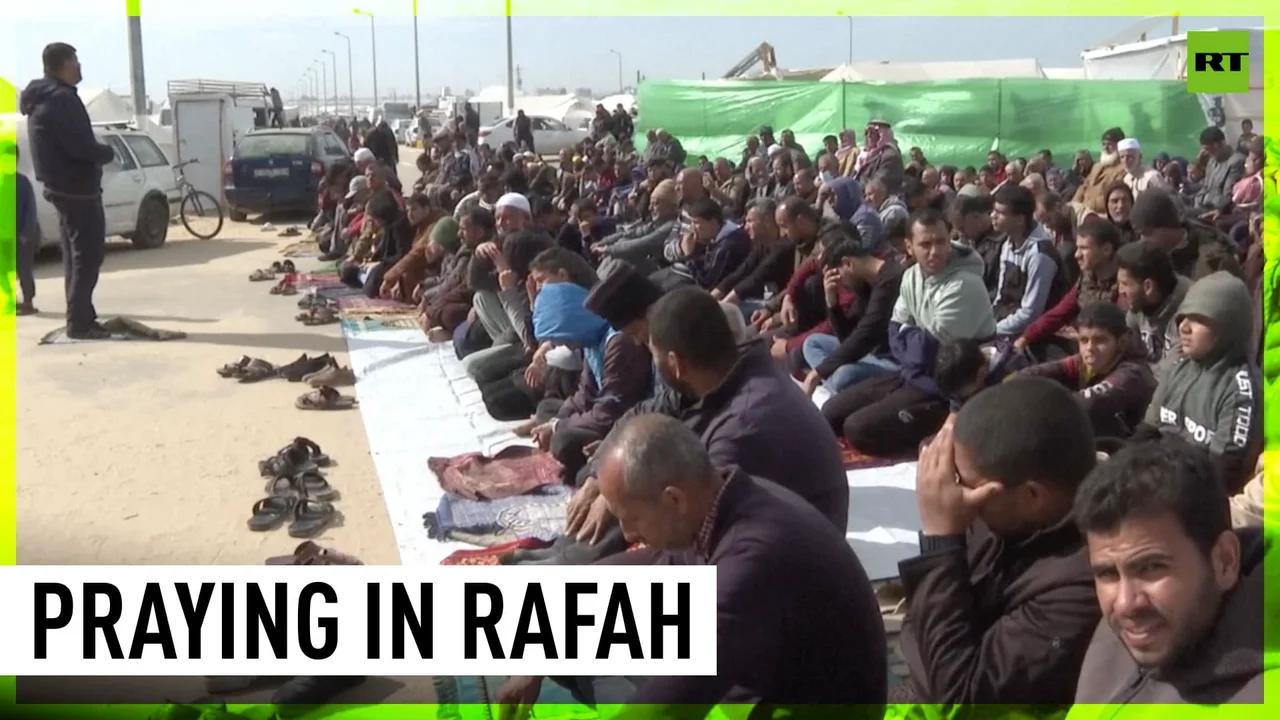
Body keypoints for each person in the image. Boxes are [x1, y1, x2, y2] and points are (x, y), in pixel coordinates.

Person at [498, 415, 887, 716]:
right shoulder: (724, 499)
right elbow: (654, 564)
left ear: (672, 500)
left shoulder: (753, 558)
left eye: (630, 518)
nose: (629, 534)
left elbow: (671, 706)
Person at [894, 379, 1101, 707]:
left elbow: (957, 699)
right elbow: (915, 628)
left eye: (966, 483)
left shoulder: (1084, 582)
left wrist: (941, 539)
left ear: (1032, 495)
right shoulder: (1006, 513)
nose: (958, 494)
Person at [1070, 439, 1270, 707]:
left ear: (1225, 560)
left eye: (1152, 568)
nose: (1125, 603)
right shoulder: (1134, 626)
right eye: (1107, 573)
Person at [821, 210, 996, 457]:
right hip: (910, 373)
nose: (934, 251)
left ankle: (941, 442)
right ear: (909, 246)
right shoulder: (911, 276)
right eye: (925, 244)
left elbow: (930, 351)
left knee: (858, 429)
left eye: (940, 242)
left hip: (945, 387)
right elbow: (895, 333)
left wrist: (910, 336)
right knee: (830, 413)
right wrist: (912, 339)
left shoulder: (965, 284)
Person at [20, 42, 118, 339]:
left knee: (76, 257)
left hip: (61, 189)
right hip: (77, 190)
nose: (79, 66)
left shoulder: (43, 99)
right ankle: (79, 323)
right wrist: (106, 153)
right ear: (63, 64)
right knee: (88, 256)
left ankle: (82, 317)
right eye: (75, 61)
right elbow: (79, 147)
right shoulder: (61, 100)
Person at [1133, 271, 1261, 492]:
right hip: (1159, 480)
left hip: (1198, 499)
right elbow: (1147, 432)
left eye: (1199, 319)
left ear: (1227, 327)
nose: (1184, 327)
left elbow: (1224, 472)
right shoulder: (1179, 368)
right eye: (1183, 317)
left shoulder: (1241, 390)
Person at [525, 281, 651, 484]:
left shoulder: (619, 343)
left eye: (562, 338)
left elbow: (609, 412)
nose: (563, 345)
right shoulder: (592, 343)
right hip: (605, 411)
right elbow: (586, 392)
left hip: (623, 419)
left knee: (563, 442)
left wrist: (558, 427)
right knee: (547, 409)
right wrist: (556, 421)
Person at [1019, 302, 1156, 439]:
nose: (1089, 348)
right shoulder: (1085, 362)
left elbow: (1088, 403)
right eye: (1084, 340)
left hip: (1136, 448)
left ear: (1121, 342)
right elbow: (1030, 374)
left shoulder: (1132, 373)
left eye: (1100, 340)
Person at [800, 238, 904, 396]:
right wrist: (833, 305)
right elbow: (847, 337)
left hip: (892, 362)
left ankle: (835, 385)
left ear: (848, 263)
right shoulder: (865, 283)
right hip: (870, 356)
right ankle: (835, 385)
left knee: (845, 375)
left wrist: (818, 373)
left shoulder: (890, 280)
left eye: (839, 276)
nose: (841, 284)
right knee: (812, 343)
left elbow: (865, 336)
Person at [1017, 218, 1122, 355]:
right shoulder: (1087, 278)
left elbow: (1121, 332)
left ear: (1106, 250)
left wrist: (1081, 336)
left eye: (1084, 248)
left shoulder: (1123, 285)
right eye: (1078, 247)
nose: (1077, 255)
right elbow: (1059, 313)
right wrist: (1026, 337)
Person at [990, 185, 1063, 338]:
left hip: (1033, 334)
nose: (992, 216)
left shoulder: (1040, 254)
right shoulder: (1007, 244)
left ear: (1019, 220)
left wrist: (992, 331)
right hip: (1005, 323)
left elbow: (1031, 313)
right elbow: (1001, 296)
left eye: (1000, 213)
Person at [1116, 240, 1191, 380]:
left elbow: (1170, 374)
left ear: (1148, 287)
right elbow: (1120, 352)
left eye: (1125, 284)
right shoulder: (1137, 307)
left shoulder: (1188, 312)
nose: (1120, 291)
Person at [1130, 188, 1241, 281]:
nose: (1142, 241)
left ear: (1167, 226)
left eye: (1146, 234)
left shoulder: (1215, 262)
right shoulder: (1154, 257)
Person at [713, 198, 794, 318]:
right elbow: (740, 273)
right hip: (767, 301)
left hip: (782, 306)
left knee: (735, 312)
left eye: (750, 221)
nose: (745, 227)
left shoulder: (785, 246)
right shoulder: (762, 246)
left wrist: (720, 309)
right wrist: (710, 298)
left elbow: (755, 279)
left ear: (766, 220)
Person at [653, 198, 751, 293]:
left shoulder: (728, 244)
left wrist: (690, 255)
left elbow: (706, 283)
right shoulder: (717, 235)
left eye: (696, 222)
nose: (692, 228)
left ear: (713, 223)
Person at [1191, 126, 1247, 220]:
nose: (1207, 153)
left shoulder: (1236, 161)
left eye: (1208, 149)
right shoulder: (1212, 161)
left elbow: (1228, 195)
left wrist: (1217, 210)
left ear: (1219, 144)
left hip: (1216, 210)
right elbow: (1205, 186)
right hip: (1201, 205)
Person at [1073, 128, 1128, 215]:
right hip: (1082, 211)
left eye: (1109, 144)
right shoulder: (1097, 166)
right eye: (1103, 144)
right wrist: (1074, 204)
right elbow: (1084, 187)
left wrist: (1085, 206)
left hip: (1100, 215)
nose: (1105, 148)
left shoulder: (1123, 170)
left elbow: (1111, 197)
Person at [952, 193, 1000, 292]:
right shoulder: (971, 240)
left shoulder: (998, 243)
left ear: (976, 217)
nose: (961, 234)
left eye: (962, 228)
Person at [15, 146, 40, 315]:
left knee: (24, 269)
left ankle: (28, 301)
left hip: (22, 234)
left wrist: (27, 232)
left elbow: (31, 209)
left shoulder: (22, 182)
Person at [855, 121, 904, 193]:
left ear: (881, 135)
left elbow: (878, 184)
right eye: (866, 133)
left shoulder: (890, 156)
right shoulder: (865, 155)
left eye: (872, 133)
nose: (869, 136)